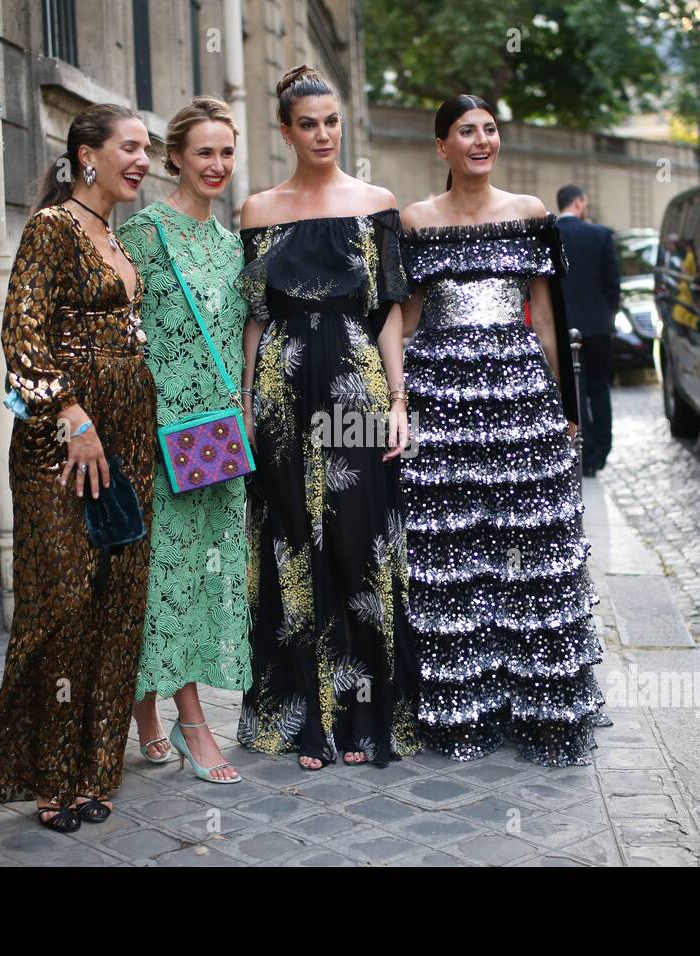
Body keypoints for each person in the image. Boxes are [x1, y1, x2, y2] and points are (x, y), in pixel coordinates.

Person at [399, 95, 608, 767]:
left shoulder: (531, 214)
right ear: (442, 146)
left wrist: (563, 406)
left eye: (490, 130)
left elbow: (546, 317)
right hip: (440, 397)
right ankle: (466, 706)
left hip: (519, 399)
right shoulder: (414, 220)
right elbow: (404, 318)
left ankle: (541, 708)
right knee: (452, 551)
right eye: (467, 131)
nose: (481, 140)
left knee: (528, 545)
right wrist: (394, 403)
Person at [236, 65, 420, 771]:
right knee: (289, 547)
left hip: (355, 388)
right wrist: (249, 399)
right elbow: (255, 318)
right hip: (283, 394)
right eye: (307, 124)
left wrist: (400, 403)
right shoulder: (259, 210)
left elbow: (389, 315)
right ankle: (302, 720)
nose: (322, 134)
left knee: (359, 542)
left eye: (331, 121)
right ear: (286, 131)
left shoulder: (376, 203)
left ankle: (368, 721)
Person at [0, 104, 156, 832]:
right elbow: (20, 333)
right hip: (65, 446)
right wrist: (71, 416)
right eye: (131, 147)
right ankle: (47, 776)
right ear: (87, 155)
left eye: (148, 148)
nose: (144, 159)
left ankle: (95, 768)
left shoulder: (114, 236)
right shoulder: (51, 229)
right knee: (62, 606)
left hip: (132, 441)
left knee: (118, 608)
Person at [117, 97, 251, 784]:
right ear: (175, 156)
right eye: (204, 152)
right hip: (159, 437)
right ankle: (193, 722)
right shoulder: (142, 235)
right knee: (165, 578)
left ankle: (147, 708)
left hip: (218, 441)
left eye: (226, 153)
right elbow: (118, 338)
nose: (217, 165)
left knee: (201, 578)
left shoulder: (232, 242)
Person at [556, 184, 620, 477]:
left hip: (564, 327)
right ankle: (599, 451)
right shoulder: (601, 235)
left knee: (573, 389)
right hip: (597, 327)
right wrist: (608, 315)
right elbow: (613, 284)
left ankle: (580, 448)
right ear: (579, 203)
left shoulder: (551, 234)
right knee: (599, 387)